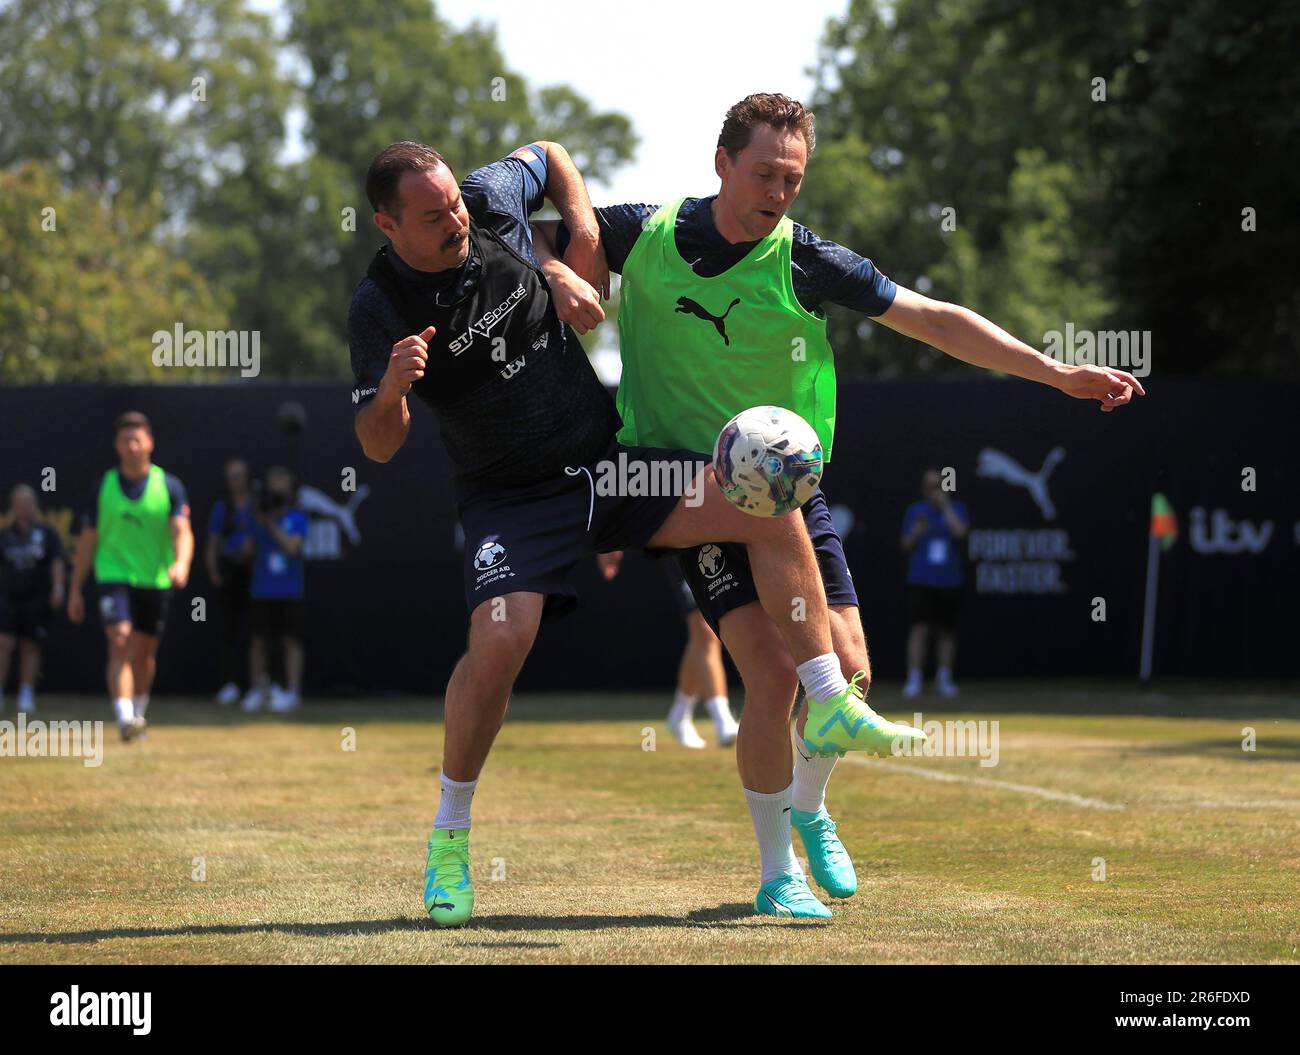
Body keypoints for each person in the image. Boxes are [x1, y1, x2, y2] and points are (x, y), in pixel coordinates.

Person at [531, 91, 1143, 916]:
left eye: (792, 177)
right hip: (684, 481)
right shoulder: (644, 228)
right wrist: (557, 266)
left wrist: (1058, 372)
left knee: (850, 673)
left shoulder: (804, 257)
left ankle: (812, 808)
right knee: (776, 673)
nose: (778, 192)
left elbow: (931, 318)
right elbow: (516, 241)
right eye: (763, 173)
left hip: (786, 488)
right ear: (722, 164)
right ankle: (777, 872)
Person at [347, 139, 924, 927]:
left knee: (767, 493)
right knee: (501, 643)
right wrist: (392, 392)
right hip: (513, 498)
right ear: (386, 225)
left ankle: (827, 697)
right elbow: (377, 441)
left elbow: (550, 155)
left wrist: (579, 239)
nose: (455, 218)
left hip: (611, 467)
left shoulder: (488, 198)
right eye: (431, 214)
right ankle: (450, 836)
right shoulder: (379, 305)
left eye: (453, 200)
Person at [68, 412, 193, 741]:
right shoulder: (103, 487)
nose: (132, 445)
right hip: (113, 574)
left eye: (138, 439)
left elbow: (183, 532)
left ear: (150, 443)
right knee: (120, 638)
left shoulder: (169, 486)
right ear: (117, 445)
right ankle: (124, 719)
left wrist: (181, 563)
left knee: (145, 653)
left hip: (154, 579)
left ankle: (138, 712)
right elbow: (87, 541)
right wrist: (75, 590)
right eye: (126, 439)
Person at [597, 551, 738, 748]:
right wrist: (612, 547)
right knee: (705, 632)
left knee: (705, 636)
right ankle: (722, 719)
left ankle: (680, 714)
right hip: (680, 549)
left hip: (718, 542)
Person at [240, 467, 308, 714]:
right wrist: (258, 528)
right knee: (258, 641)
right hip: (261, 590)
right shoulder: (257, 518)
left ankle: (292, 691)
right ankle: (258, 689)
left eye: (282, 482)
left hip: (289, 591)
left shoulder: (297, 517)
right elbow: (245, 551)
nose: (277, 487)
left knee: (291, 641)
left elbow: (292, 548)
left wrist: (271, 525)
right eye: (273, 483)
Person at [901, 469, 970, 698]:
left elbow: (961, 532)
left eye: (938, 486)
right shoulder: (916, 512)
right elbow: (906, 544)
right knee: (919, 629)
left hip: (949, 581)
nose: (934, 491)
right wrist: (918, 530)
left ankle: (944, 678)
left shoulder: (956, 509)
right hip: (922, 579)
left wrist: (946, 506)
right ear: (923, 489)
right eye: (930, 487)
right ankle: (914, 679)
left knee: (946, 632)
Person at [0, 484, 66, 713]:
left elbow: (57, 562)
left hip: (37, 597)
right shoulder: (5, 535)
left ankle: (26, 694)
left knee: (31, 645)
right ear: (13, 507)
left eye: (27, 503)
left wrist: (58, 589)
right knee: (4, 643)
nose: (24, 508)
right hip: (8, 596)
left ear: (35, 504)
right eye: (19, 504)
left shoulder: (47, 533)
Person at [205, 457, 255, 705]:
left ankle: (259, 685)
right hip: (229, 575)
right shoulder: (222, 508)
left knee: (257, 632)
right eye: (231, 476)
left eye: (240, 475)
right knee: (229, 631)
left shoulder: (257, 505)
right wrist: (214, 573)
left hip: (257, 575)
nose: (236, 480)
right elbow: (212, 543)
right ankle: (230, 683)